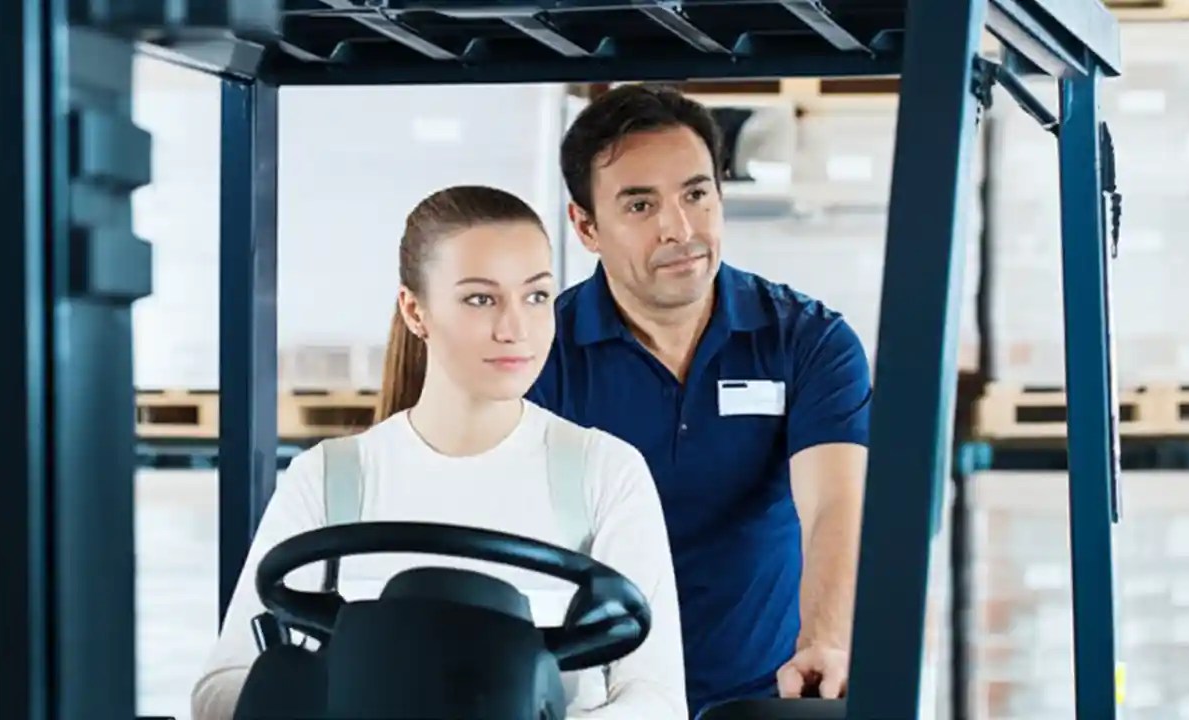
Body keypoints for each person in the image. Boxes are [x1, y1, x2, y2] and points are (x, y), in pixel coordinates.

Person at [190, 185, 688, 720]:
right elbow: (221, 689)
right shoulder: (330, 478)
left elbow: (655, 699)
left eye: (537, 296)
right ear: (415, 310)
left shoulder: (604, 472)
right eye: (481, 298)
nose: (515, 328)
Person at [527, 85, 873, 718]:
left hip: (767, 695)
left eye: (696, 194)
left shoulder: (807, 340)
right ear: (585, 227)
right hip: (595, 699)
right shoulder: (539, 354)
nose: (679, 229)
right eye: (640, 205)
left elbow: (835, 504)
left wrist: (827, 638)